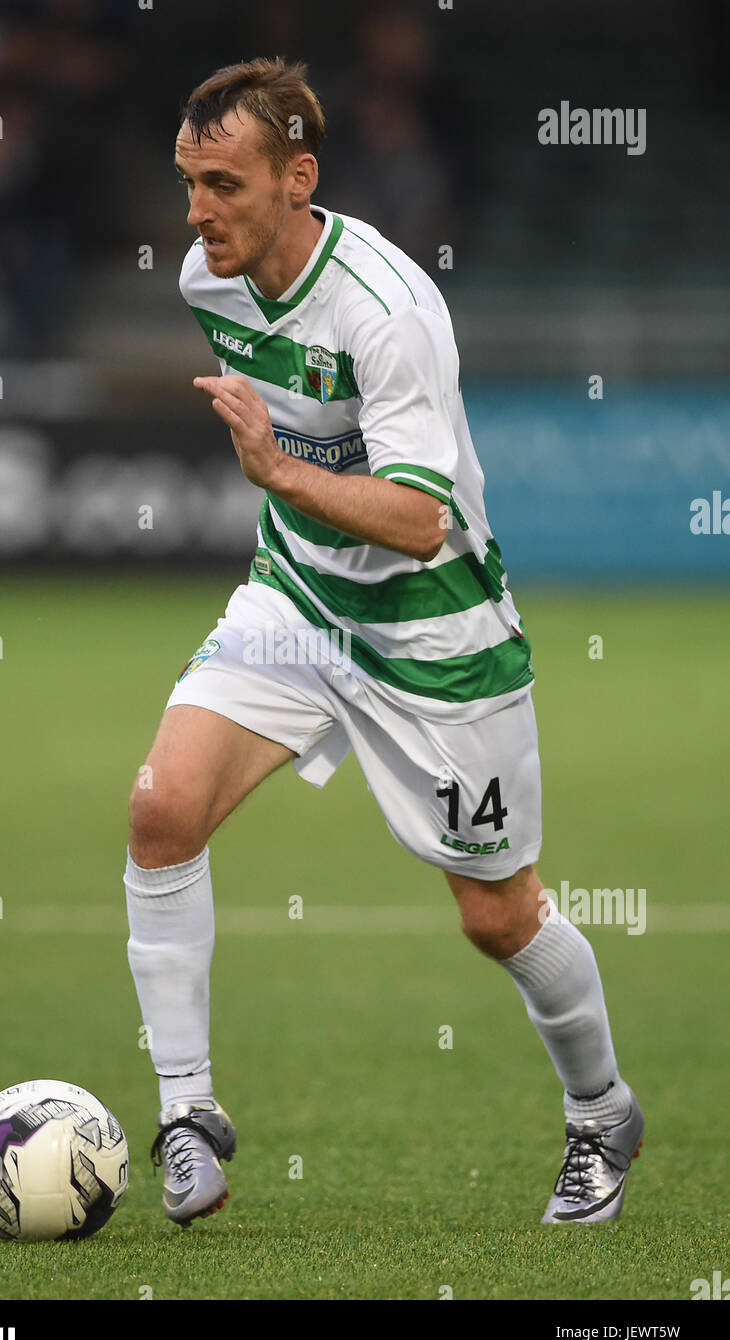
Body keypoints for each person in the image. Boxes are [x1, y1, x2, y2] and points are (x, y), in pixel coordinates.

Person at [125, 57, 643, 1230]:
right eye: (185, 181)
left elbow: (417, 522)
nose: (196, 211)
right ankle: (186, 1114)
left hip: (435, 634)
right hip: (298, 602)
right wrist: (282, 496)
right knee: (162, 808)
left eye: (222, 182)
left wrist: (272, 470)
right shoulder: (205, 282)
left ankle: (599, 1110)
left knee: (496, 915)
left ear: (297, 178)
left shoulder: (387, 308)